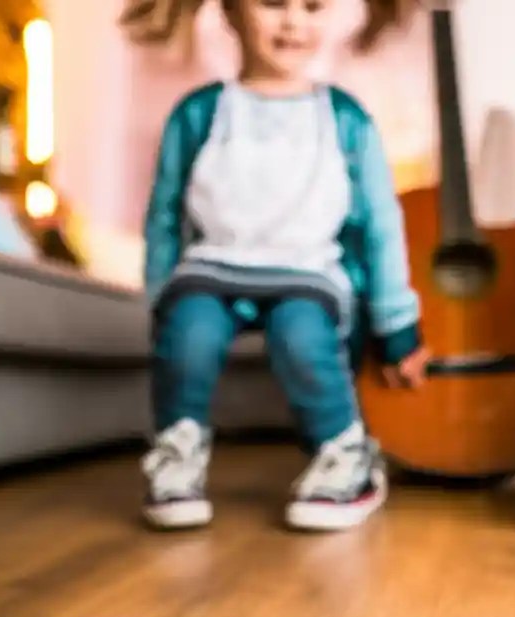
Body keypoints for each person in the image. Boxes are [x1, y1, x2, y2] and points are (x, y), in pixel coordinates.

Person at [139, 0, 429, 532]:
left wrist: (397, 326)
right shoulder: (198, 114)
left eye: (312, 6)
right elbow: (164, 213)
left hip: (308, 275)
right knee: (190, 333)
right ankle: (177, 450)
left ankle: (344, 452)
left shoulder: (346, 118)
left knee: (301, 336)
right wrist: (159, 298)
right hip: (214, 268)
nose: (294, 21)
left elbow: (381, 225)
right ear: (231, 11)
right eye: (274, 3)